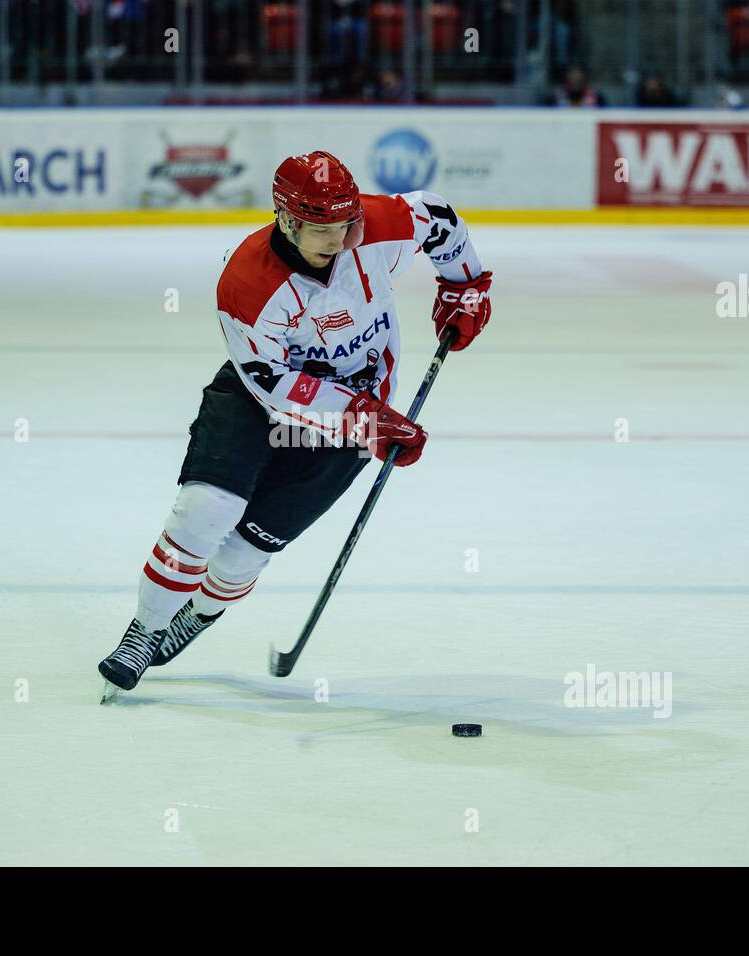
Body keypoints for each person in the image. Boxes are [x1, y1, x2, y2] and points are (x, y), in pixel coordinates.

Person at [98, 151, 494, 692]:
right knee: (207, 508)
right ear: (287, 220)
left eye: (348, 225)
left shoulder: (375, 227)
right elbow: (276, 387)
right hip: (262, 400)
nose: (341, 239)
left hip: (359, 407)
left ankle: (199, 614)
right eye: (324, 229)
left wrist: (463, 285)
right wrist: (365, 418)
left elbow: (439, 218)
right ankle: (143, 631)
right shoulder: (248, 282)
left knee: (247, 548)